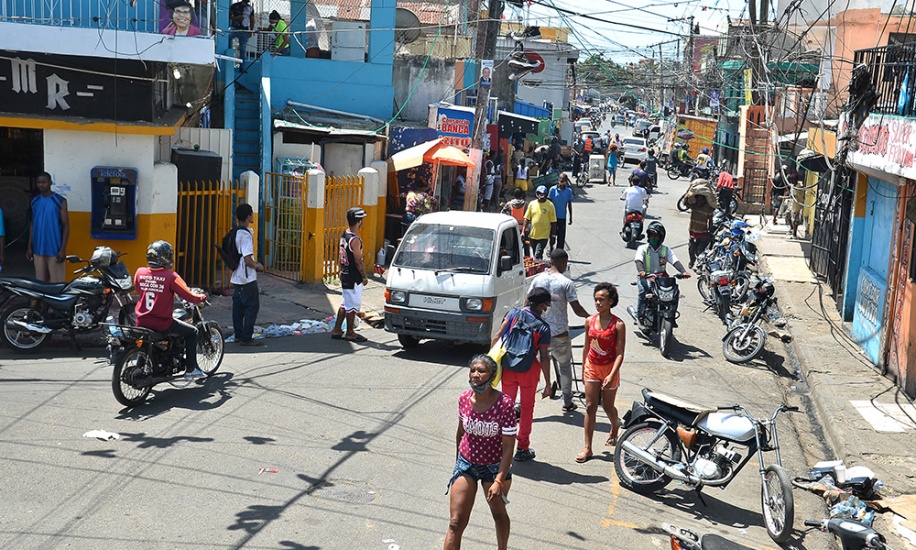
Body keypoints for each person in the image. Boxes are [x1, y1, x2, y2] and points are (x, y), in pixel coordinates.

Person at [444, 355, 516, 550]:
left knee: (499, 515)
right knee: (455, 523)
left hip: (494, 469)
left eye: (481, 371)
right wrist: (458, 463)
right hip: (466, 464)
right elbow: (460, 432)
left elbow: (509, 446)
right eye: (473, 370)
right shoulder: (464, 399)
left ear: (492, 376)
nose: (475, 375)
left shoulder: (505, 404)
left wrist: (499, 481)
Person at [492, 288, 553, 462]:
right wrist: (548, 384)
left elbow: (497, 337)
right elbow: (545, 357)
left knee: (506, 407)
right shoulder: (543, 327)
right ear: (542, 305)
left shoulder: (513, 314)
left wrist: (490, 365)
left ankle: (500, 445)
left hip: (509, 367)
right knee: (526, 409)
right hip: (529, 370)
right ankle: (522, 448)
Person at [134, 240, 207, 379]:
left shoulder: (139, 272)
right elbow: (189, 296)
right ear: (166, 257)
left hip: (141, 321)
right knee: (193, 332)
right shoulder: (170, 276)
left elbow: (139, 290)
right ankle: (192, 369)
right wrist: (201, 297)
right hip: (162, 323)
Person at [529, 249, 590, 413]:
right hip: (559, 332)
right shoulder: (566, 282)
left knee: (533, 367)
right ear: (563, 262)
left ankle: (522, 403)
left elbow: (527, 303)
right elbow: (577, 309)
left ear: (550, 261)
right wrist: (591, 317)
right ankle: (568, 401)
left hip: (538, 332)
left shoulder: (538, 279)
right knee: (564, 366)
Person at [576, 282, 626, 462]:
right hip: (592, 367)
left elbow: (620, 353)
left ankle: (615, 426)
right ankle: (588, 448)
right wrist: (583, 369)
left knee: (607, 406)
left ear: (611, 301)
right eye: (596, 300)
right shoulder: (589, 321)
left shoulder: (618, 324)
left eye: (601, 300)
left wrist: (612, 375)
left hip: (609, 368)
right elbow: (586, 347)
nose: (597, 303)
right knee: (590, 406)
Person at [634, 222, 690, 326]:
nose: (653, 237)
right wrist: (641, 271)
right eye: (651, 235)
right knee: (644, 292)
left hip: (662, 278)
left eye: (656, 235)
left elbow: (674, 261)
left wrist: (683, 271)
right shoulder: (643, 248)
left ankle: (671, 316)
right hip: (646, 277)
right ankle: (640, 315)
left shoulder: (666, 250)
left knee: (675, 292)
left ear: (661, 237)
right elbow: (638, 261)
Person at [331, 207, 369, 343]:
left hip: (346, 273)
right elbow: (358, 261)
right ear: (358, 221)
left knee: (345, 303)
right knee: (352, 305)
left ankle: (337, 329)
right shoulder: (355, 240)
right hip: (353, 277)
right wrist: (364, 276)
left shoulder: (344, 235)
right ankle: (350, 332)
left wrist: (340, 270)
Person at [27, 171, 70, 283]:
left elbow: (66, 226)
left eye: (44, 182)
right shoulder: (34, 201)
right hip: (38, 248)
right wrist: (29, 247)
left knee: (57, 283)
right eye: (39, 182)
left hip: (55, 249)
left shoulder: (60, 201)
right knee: (40, 282)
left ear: (50, 183)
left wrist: (63, 250)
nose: (41, 185)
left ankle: (55, 301)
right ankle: (41, 301)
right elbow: (33, 223)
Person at [231, 203, 264, 346]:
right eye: (251, 214)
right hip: (247, 278)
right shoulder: (246, 235)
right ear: (248, 216)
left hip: (236, 276)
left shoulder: (235, 232)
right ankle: (246, 337)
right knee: (252, 307)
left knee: (237, 308)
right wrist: (258, 266)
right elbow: (248, 259)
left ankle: (238, 335)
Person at [684, 180, 717, 268]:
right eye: (698, 198)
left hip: (703, 233)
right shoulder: (693, 205)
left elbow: (710, 220)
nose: (699, 200)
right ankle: (692, 261)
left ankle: (699, 265)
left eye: (701, 199)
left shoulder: (708, 208)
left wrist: (710, 233)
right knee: (691, 249)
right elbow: (685, 202)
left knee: (700, 251)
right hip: (693, 232)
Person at [523, 186, 557, 260]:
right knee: (535, 253)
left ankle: (538, 265)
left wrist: (553, 236)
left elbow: (553, 222)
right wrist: (523, 231)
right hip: (533, 235)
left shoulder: (550, 205)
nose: (540, 196)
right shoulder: (532, 204)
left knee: (538, 253)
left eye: (543, 194)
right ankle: (539, 267)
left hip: (544, 235)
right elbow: (527, 218)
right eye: (539, 193)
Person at [548, 174, 574, 251]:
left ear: (566, 181)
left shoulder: (568, 191)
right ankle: (551, 248)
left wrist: (570, 217)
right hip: (553, 217)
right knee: (552, 234)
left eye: (563, 180)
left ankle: (559, 251)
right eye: (560, 179)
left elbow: (569, 204)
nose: (561, 181)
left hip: (562, 216)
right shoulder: (552, 190)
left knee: (561, 235)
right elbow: (549, 203)